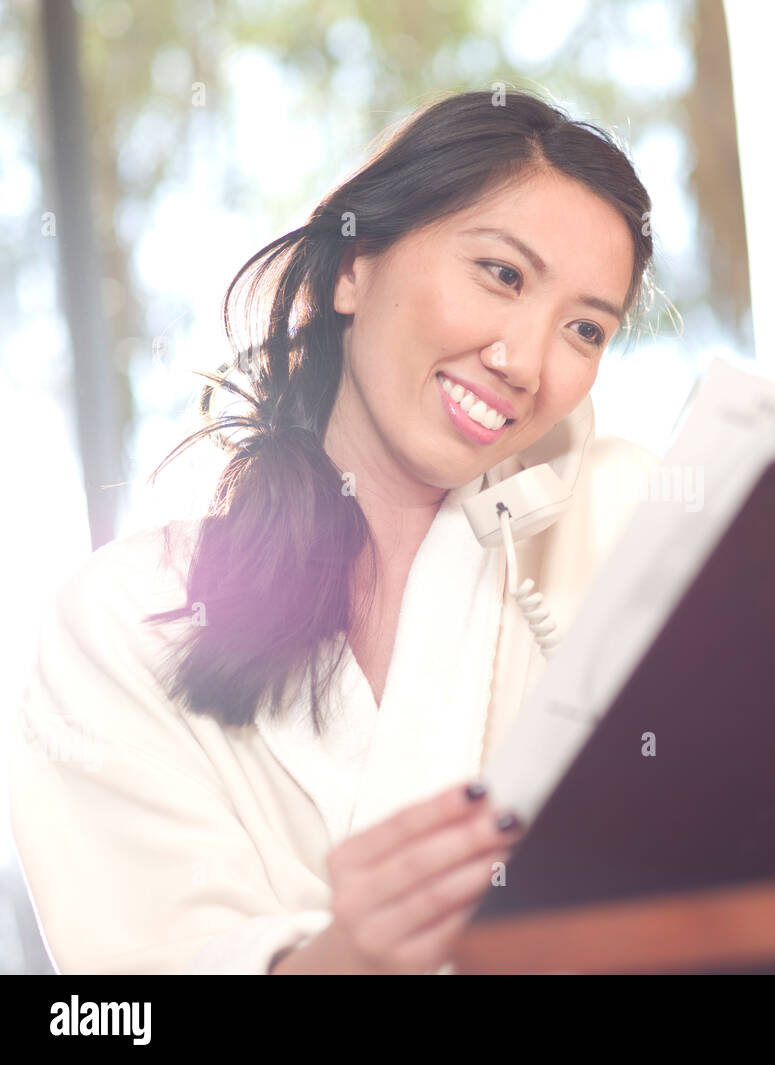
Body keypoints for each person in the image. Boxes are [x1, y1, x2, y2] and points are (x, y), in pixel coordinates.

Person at [10, 88, 660, 975]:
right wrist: (347, 956)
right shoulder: (124, 618)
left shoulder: (625, 526)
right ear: (355, 266)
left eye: (585, 329)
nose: (524, 363)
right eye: (502, 274)